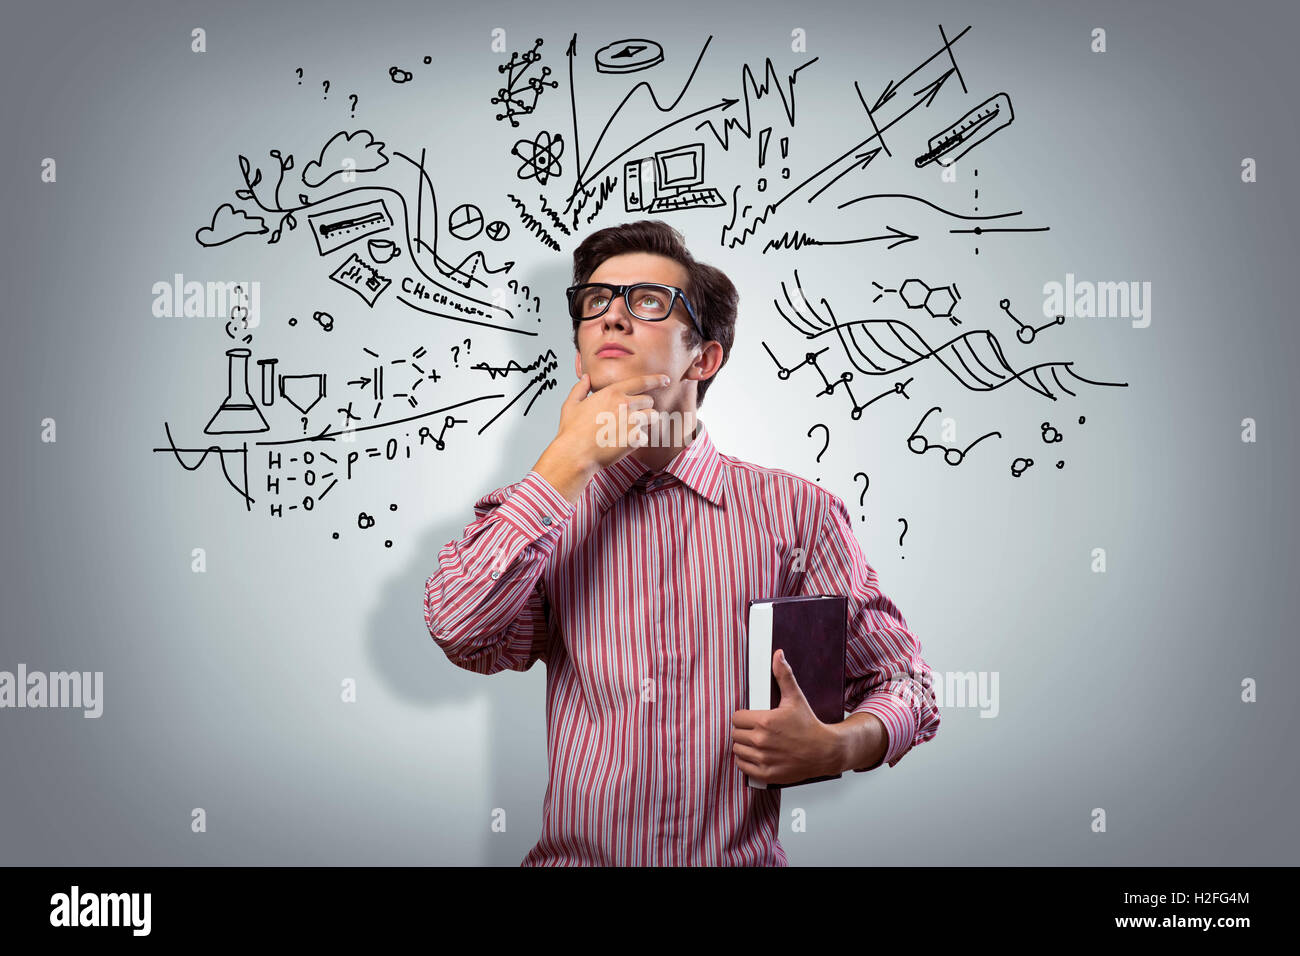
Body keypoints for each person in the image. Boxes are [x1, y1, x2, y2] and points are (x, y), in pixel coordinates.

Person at [424, 220, 939, 865]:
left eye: (646, 302)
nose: (612, 315)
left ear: (704, 357)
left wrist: (840, 746)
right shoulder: (544, 515)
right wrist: (563, 465)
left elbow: (906, 682)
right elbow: (459, 631)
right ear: (580, 354)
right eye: (595, 302)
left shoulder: (797, 512)